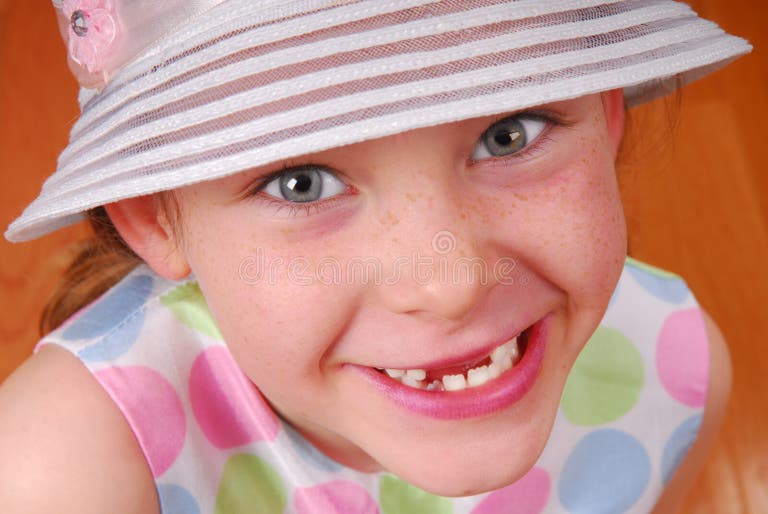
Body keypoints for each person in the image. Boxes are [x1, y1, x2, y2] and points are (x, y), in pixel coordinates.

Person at [0, 1, 750, 513]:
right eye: (302, 183)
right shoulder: (62, 472)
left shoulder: (673, 375)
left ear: (606, 111)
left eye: (510, 132)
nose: (449, 284)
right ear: (154, 216)